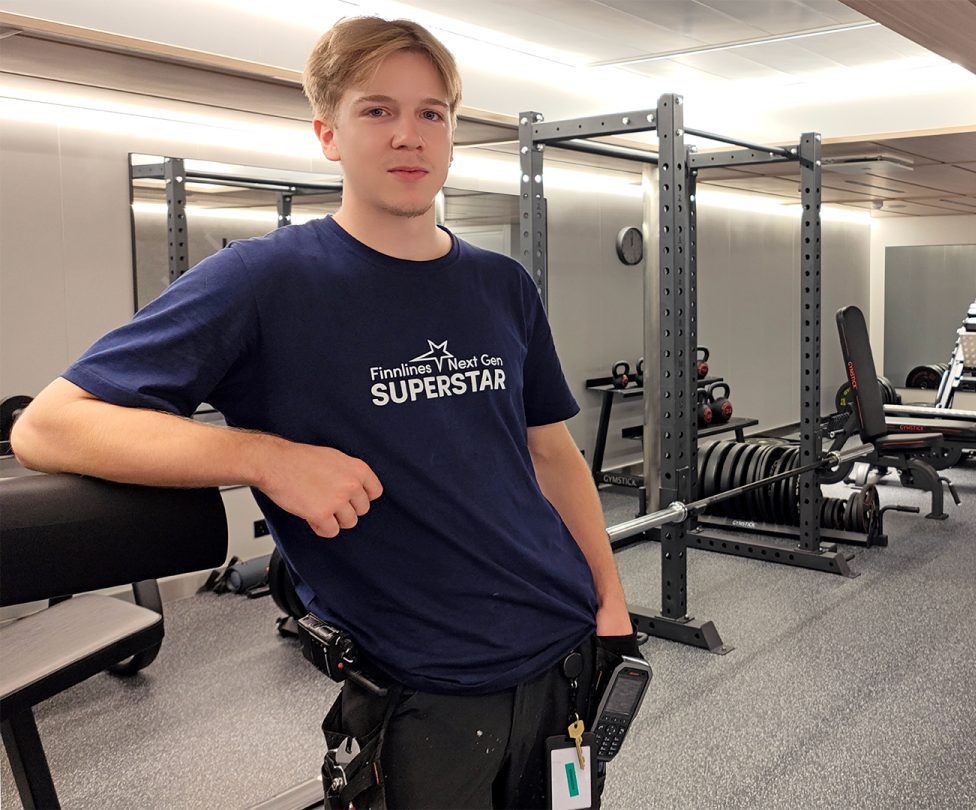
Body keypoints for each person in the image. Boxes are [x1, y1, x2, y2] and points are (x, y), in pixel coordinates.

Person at [11, 16, 637, 808]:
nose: (409, 135)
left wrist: (609, 606)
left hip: (562, 649)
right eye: (378, 110)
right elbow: (49, 426)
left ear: (449, 135)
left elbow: (552, 455)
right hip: (426, 687)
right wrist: (267, 458)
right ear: (328, 134)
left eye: (431, 113)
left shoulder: (503, 285)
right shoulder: (264, 281)